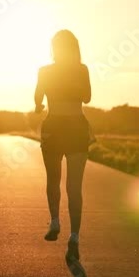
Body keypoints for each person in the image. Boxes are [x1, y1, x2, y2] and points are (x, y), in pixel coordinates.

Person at [34, 29, 92, 262]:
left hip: (54, 126)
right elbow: (87, 97)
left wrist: (39, 105)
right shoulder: (81, 69)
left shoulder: (45, 71)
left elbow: (37, 99)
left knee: (53, 179)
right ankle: (75, 236)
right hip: (77, 125)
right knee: (74, 186)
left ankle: (55, 221)